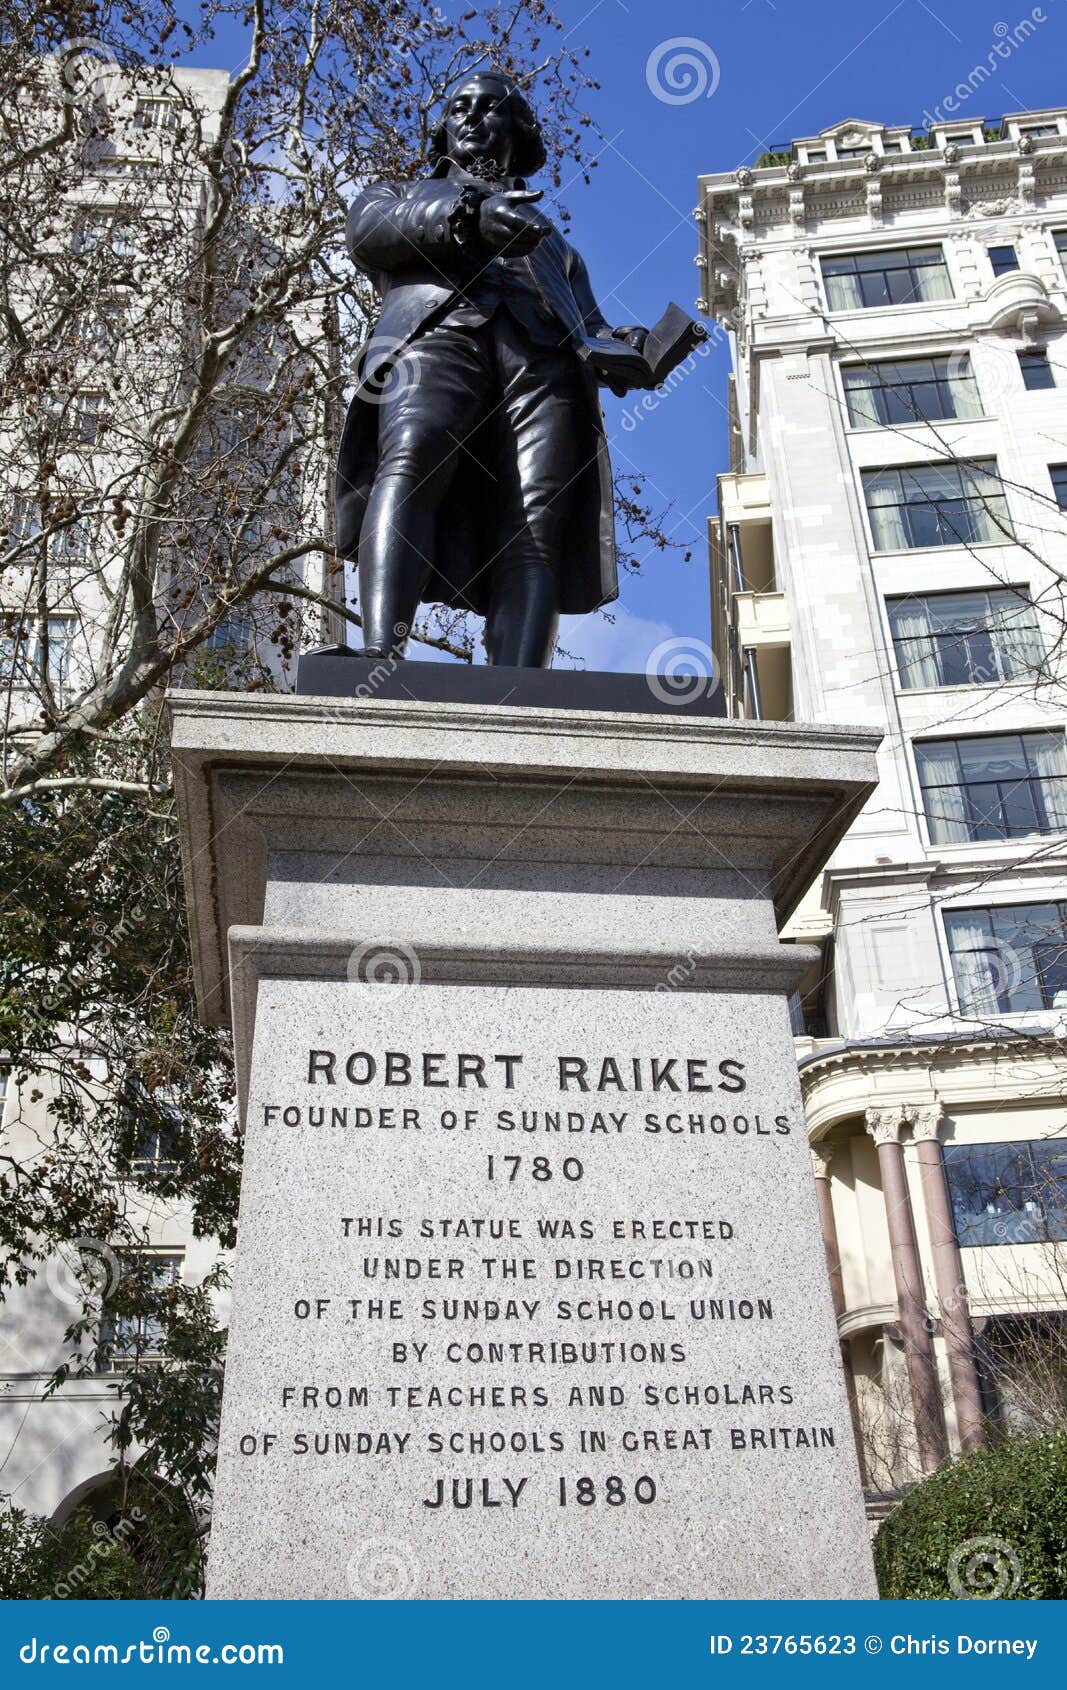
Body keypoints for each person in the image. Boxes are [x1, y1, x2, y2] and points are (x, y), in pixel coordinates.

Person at [334, 69, 647, 667]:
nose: (474, 118)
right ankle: (380, 655)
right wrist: (467, 219)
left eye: (491, 109)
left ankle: (521, 687)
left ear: (519, 129)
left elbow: (590, 324)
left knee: (538, 514)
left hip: (544, 365)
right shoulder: (396, 194)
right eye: (460, 108)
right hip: (437, 337)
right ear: (442, 129)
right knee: (412, 458)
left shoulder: (555, 244)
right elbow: (368, 232)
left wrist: (628, 346)